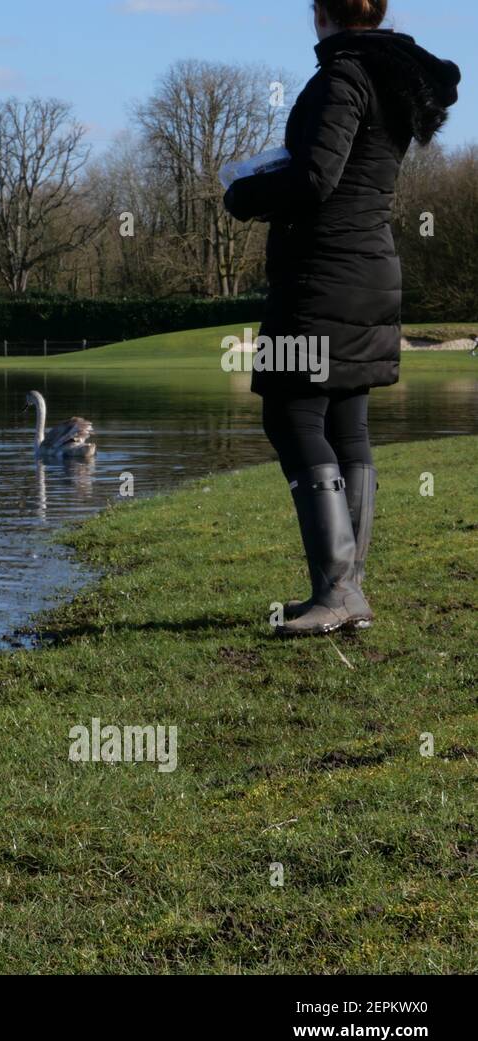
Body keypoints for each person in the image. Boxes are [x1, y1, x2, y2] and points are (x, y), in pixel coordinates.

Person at [223, 0, 459, 637]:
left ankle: (337, 589)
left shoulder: (342, 76)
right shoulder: (390, 76)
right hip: (371, 272)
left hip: (322, 278)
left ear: (320, 12)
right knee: (344, 419)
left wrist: (246, 193)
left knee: (291, 413)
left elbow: (315, 179)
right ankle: (344, 590)